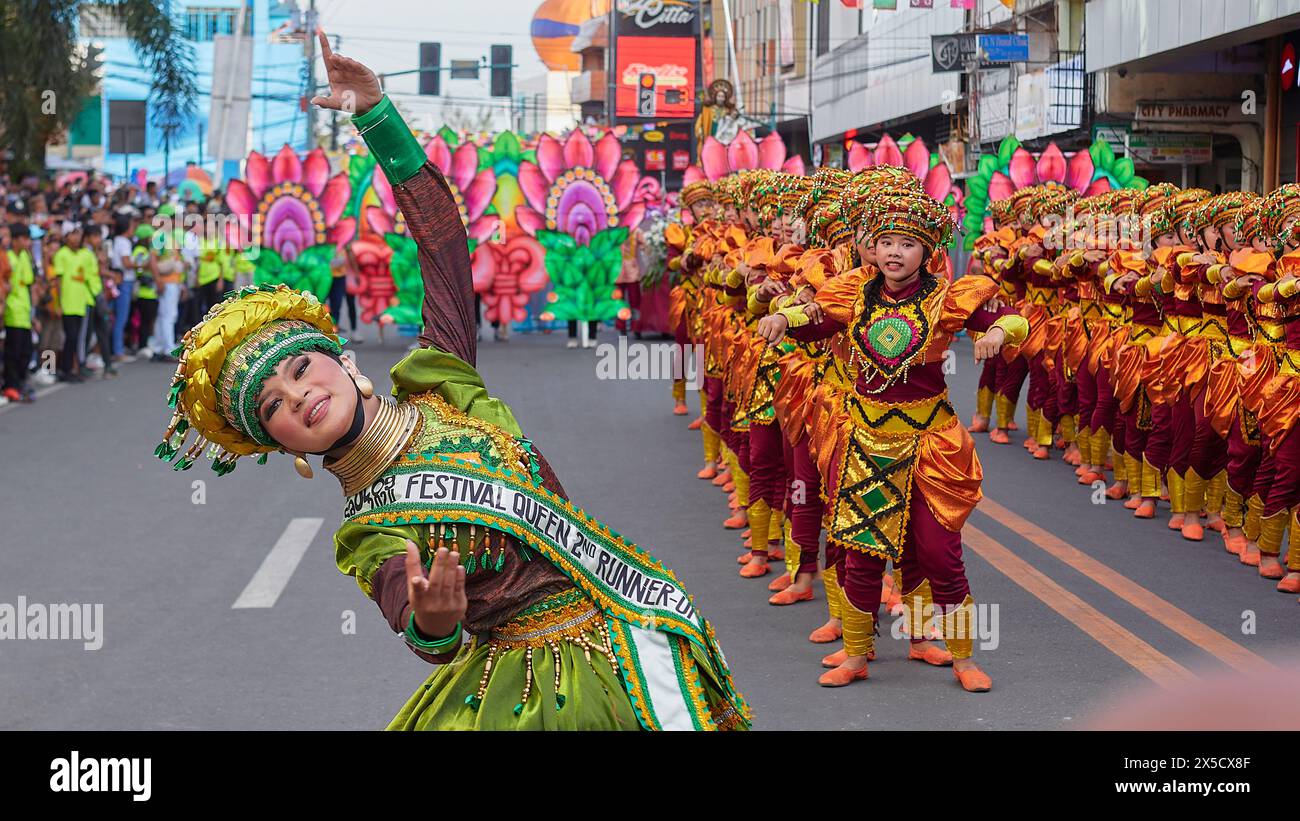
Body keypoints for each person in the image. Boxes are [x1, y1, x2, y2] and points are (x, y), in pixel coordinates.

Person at [155, 33, 750, 731]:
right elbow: (412, 615)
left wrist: (378, 119)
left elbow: (442, 244)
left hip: (621, 632)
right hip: (527, 690)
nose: (297, 396)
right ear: (277, 442)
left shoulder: (442, 382)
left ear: (342, 360)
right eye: (272, 407)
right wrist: (434, 623)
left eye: (298, 368)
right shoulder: (367, 530)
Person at [759, 188, 1027, 691]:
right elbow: (812, 319)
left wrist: (1000, 333)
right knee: (861, 554)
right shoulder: (854, 292)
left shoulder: (947, 297)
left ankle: (963, 656)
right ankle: (857, 654)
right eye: (885, 241)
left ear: (928, 252)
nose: (893, 252)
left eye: (907, 243)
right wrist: (781, 318)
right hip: (869, 443)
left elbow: (1011, 319)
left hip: (930, 445)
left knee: (939, 552)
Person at [52, 223, 94, 382]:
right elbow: (58, 281)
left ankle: (74, 368)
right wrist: (58, 303)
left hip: (80, 302)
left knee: (77, 338)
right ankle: (66, 369)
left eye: (78, 234)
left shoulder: (83, 254)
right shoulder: (61, 254)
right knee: (70, 337)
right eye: (72, 234)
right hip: (67, 303)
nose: (76, 238)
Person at [3, 224, 36, 401]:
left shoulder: (24, 256)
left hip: (24, 309)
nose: (27, 242)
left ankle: (21, 382)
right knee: (13, 351)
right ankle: (10, 385)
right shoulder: (7, 258)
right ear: (15, 240)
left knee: (26, 350)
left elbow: (29, 282)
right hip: (12, 309)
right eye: (24, 239)